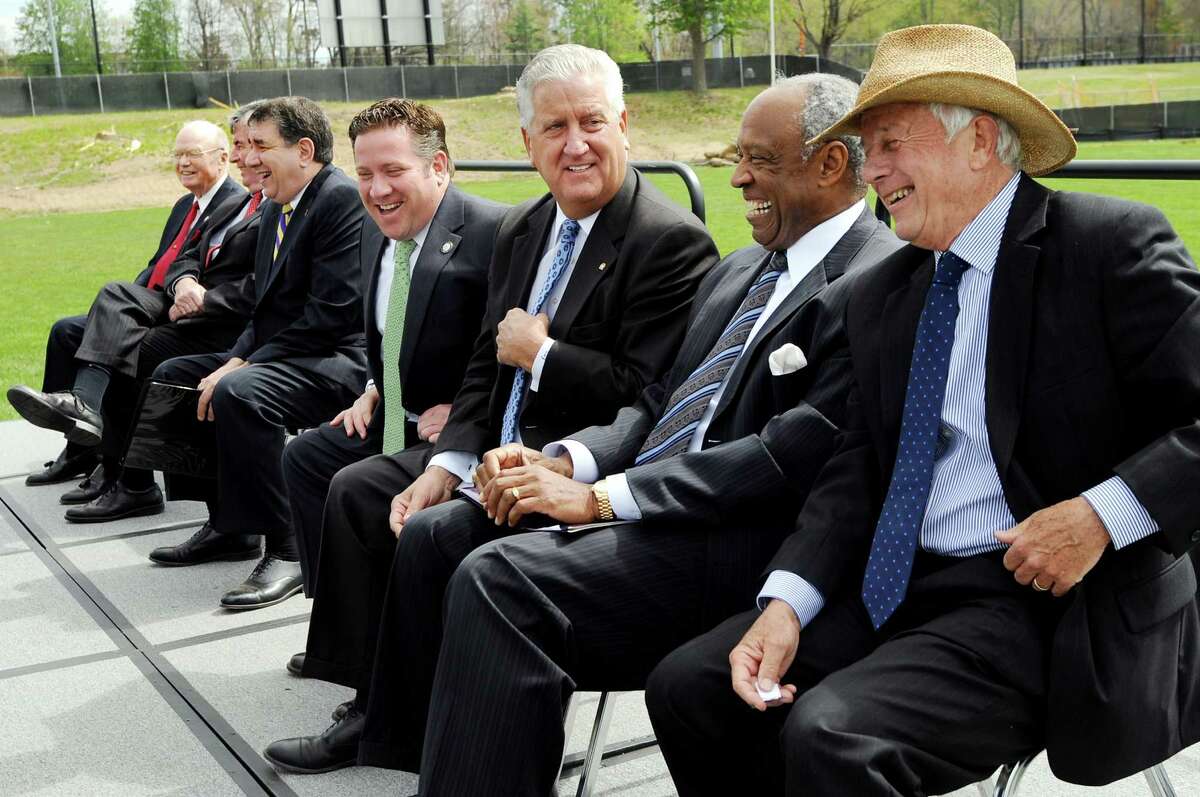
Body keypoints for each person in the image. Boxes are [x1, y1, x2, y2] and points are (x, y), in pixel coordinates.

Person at [294, 73, 903, 792]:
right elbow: (656, 402)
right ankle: (421, 748)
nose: (737, 178)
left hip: (744, 541)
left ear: (831, 164)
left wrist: (604, 497)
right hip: (660, 514)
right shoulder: (742, 267)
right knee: (451, 536)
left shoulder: (877, 279)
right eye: (737, 158)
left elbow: (786, 455)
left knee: (501, 582)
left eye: (757, 160)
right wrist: (563, 461)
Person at [646, 24, 1200, 795]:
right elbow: (858, 467)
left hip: (1042, 609)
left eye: (890, 144)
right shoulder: (881, 292)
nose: (871, 171)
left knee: (831, 734)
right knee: (690, 687)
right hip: (894, 587)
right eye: (869, 149)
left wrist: (1102, 515)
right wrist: (785, 604)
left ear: (978, 140)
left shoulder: (1106, 246)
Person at [262, 43, 718, 774]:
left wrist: (541, 354)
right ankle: (373, 700)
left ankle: (404, 725)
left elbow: (650, 398)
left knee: (433, 536)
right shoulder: (526, 228)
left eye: (592, 122)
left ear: (625, 124)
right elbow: (484, 361)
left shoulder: (668, 242)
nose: (576, 144)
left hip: (562, 471)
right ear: (526, 143)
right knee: (358, 487)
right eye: (554, 127)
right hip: (489, 453)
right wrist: (449, 460)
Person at [144, 96, 368, 614]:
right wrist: (237, 355)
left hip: (342, 359)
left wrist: (244, 364)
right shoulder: (275, 204)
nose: (246, 159)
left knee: (242, 390)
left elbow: (331, 313)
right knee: (176, 374)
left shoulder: (339, 200)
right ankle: (230, 525)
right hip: (294, 351)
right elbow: (265, 311)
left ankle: (289, 547)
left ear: (304, 150)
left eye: (260, 146)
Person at [281, 97, 507, 600]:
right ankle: (338, 615)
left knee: (355, 486)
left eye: (393, 171)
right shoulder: (375, 227)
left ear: (439, 166)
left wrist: (469, 416)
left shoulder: (494, 231)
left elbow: (504, 349)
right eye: (364, 173)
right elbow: (388, 327)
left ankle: (374, 630)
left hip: (455, 431)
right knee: (305, 457)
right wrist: (371, 386)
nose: (377, 190)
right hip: (390, 413)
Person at [9, 119, 243, 488]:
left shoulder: (237, 203)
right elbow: (164, 262)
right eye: (177, 154)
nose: (182, 162)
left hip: (184, 312)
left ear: (223, 157)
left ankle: (111, 453)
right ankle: (79, 443)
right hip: (151, 299)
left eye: (192, 154)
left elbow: (207, 272)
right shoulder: (185, 204)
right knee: (66, 332)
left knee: (117, 303)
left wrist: (169, 293)